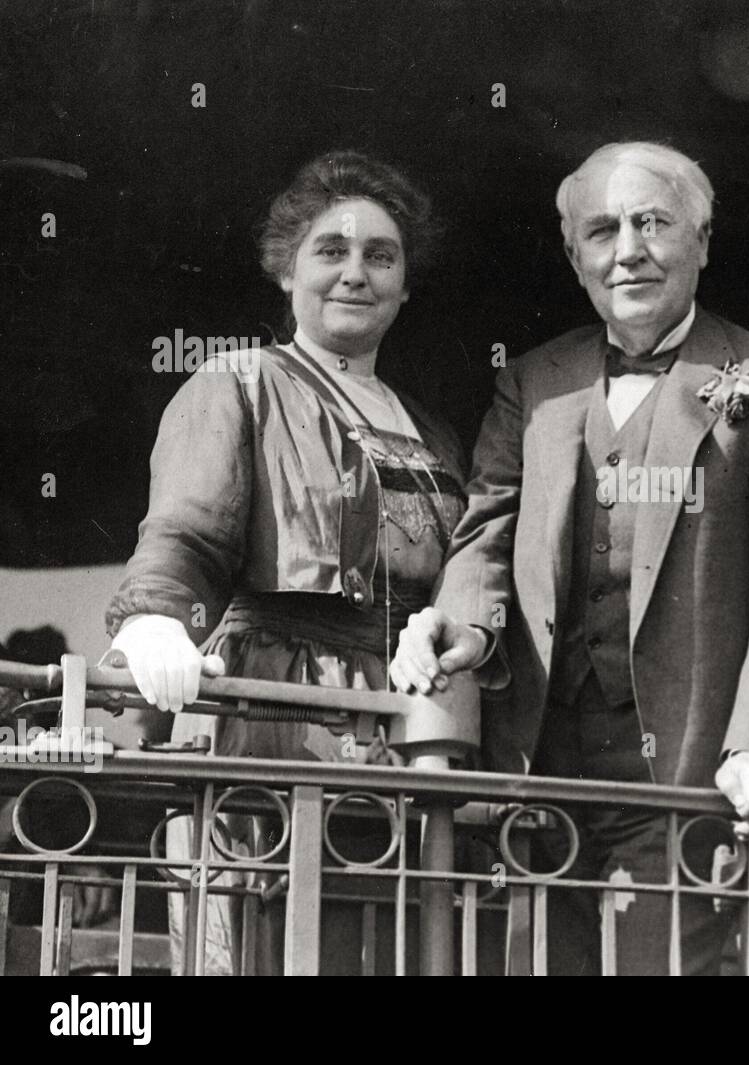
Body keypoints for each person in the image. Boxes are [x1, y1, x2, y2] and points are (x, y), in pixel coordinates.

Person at [388, 141, 749, 974]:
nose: (629, 249)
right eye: (603, 231)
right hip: (540, 761)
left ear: (703, 240)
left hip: (689, 771)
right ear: (575, 258)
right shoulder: (533, 381)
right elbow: (486, 530)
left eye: (653, 222)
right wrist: (462, 628)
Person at [105, 150, 467, 974]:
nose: (356, 273)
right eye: (330, 251)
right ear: (286, 271)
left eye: (381, 256)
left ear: (406, 284)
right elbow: (187, 531)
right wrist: (157, 618)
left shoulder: (436, 429)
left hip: (402, 723)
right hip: (267, 706)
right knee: (265, 948)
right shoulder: (238, 382)